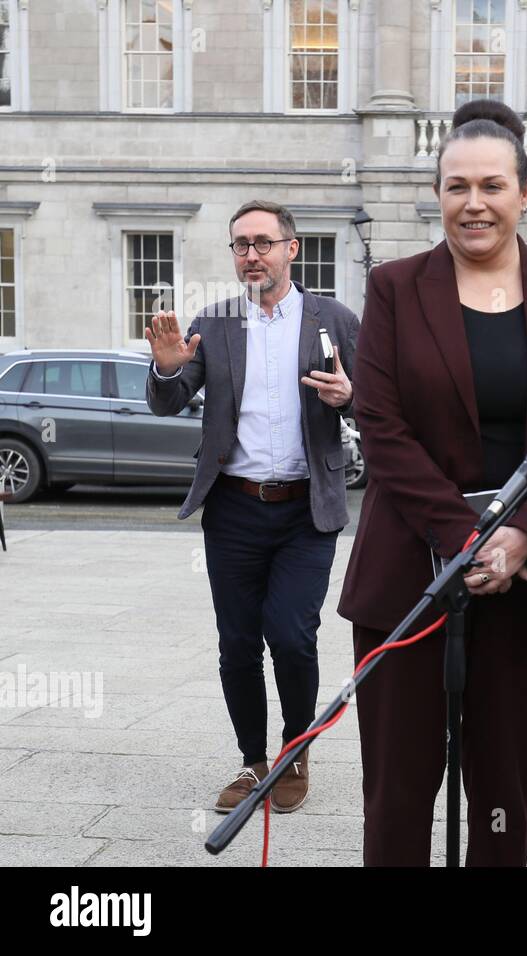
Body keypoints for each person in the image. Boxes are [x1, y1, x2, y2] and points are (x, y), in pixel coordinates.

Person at [337, 100, 527, 867]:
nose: (474, 203)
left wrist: (521, 537)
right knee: (397, 787)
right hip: (410, 571)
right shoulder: (396, 287)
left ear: (525, 191)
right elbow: (381, 423)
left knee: (502, 790)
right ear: (438, 194)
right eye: (456, 186)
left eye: (492, 185)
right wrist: (464, 541)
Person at [145, 199, 360, 814]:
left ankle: (296, 754)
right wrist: (164, 372)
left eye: (264, 243)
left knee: (291, 635)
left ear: (292, 249)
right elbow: (169, 400)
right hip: (233, 510)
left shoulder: (335, 319)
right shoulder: (214, 324)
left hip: (305, 511)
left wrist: (350, 397)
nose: (251, 255)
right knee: (237, 643)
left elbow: (378, 400)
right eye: (241, 245)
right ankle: (252, 762)